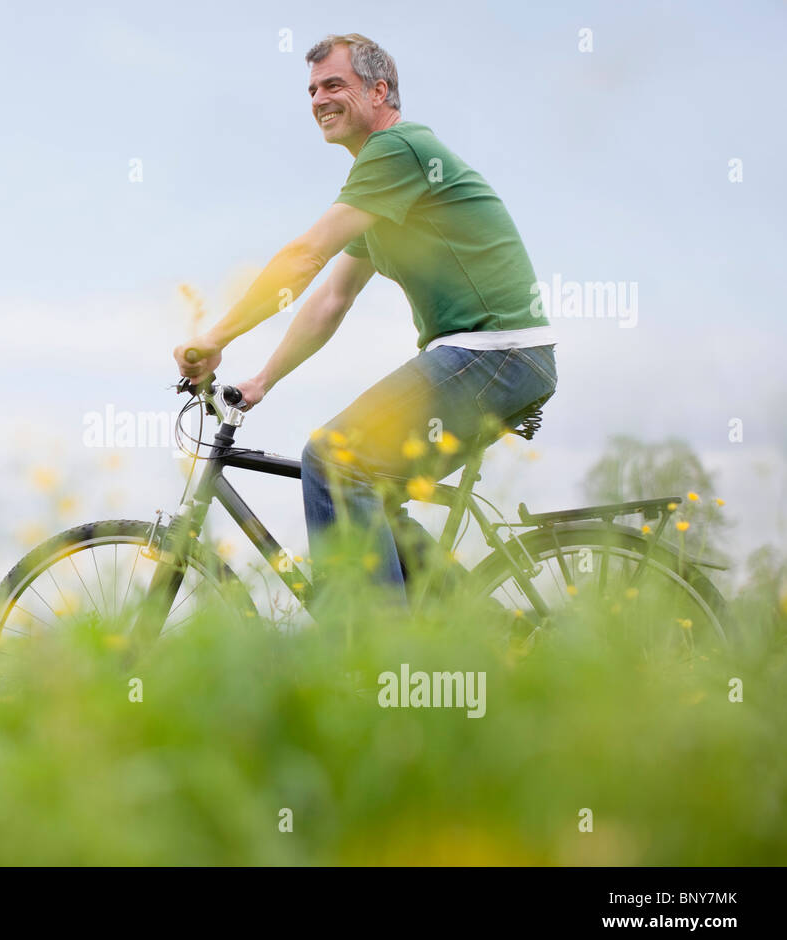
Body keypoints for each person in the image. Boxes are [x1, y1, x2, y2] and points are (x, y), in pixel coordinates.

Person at [173, 33, 557, 604]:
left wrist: (216, 336)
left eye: (334, 85)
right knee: (367, 489)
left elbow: (306, 256)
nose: (319, 100)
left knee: (332, 459)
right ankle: (476, 638)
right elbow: (331, 301)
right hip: (499, 359)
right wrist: (262, 380)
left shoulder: (397, 150)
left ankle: (374, 660)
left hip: (495, 353)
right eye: (311, 90)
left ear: (379, 91)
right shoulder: (383, 188)